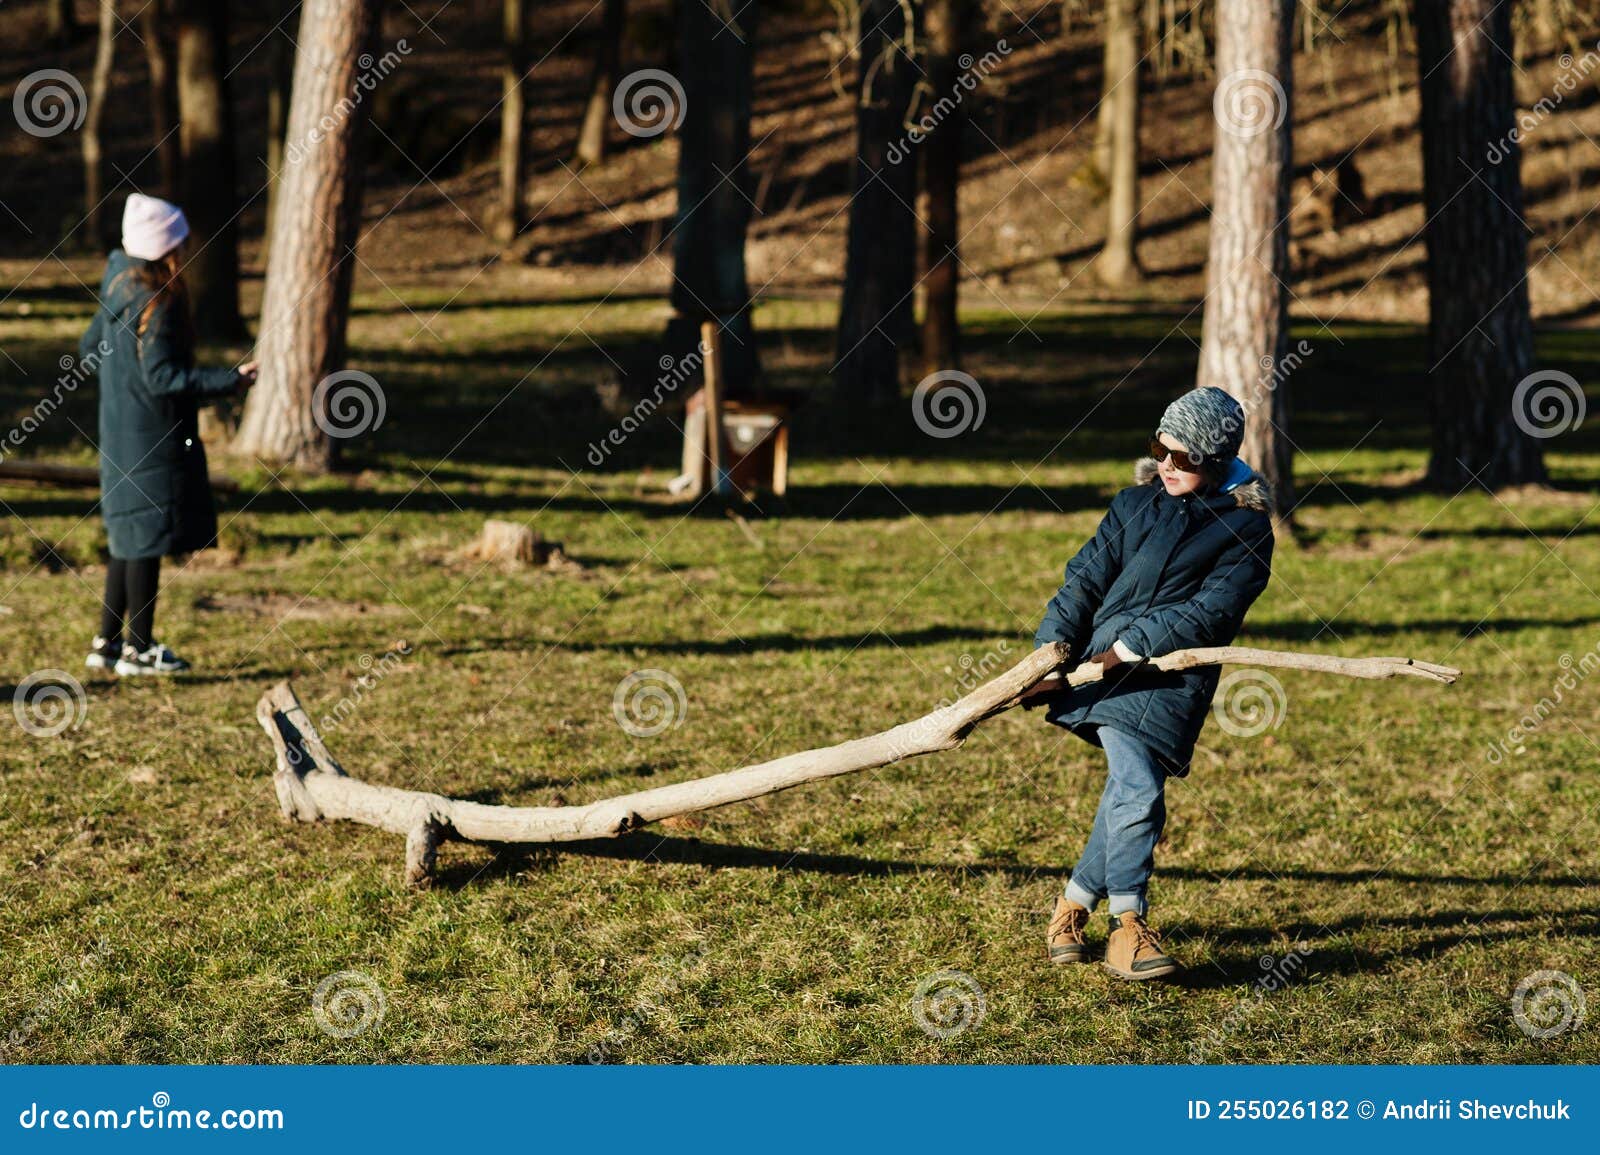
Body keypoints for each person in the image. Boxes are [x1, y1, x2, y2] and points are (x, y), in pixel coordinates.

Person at [1032, 386, 1274, 980]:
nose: (1167, 465)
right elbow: (1085, 578)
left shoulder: (1247, 531)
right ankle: (1128, 927)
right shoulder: (1133, 505)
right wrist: (1050, 651)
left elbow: (1211, 611)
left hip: (1171, 680)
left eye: (1184, 457)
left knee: (1125, 792)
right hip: (1100, 673)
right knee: (1137, 788)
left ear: (1215, 460)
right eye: (1160, 450)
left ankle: (1072, 905)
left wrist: (1131, 648)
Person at [79, 193, 256, 676]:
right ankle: (139, 647)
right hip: (152, 438)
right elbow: (164, 379)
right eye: (181, 243)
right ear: (166, 249)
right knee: (147, 539)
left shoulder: (117, 285)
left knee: (128, 536)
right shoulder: (159, 303)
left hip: (117, 430)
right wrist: (231, 381)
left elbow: (88, 346)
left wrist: (121, 389)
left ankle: (106, 642)